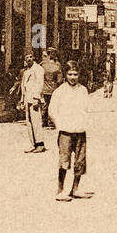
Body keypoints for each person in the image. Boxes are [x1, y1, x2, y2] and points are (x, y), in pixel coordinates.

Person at [49, 61, 92, 201]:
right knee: (64, 161)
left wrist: (84, 122)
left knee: (80, 161)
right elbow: (52, 111)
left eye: (75, 74)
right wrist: (59, 124)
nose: (73, 77)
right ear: (65, 75)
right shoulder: (60, 91)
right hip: (65, 132)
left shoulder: (83, 90)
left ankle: (76, 188)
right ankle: (60, 190)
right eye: (70, 74)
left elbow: (86, 109)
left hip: (80, 130)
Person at [21, 54, 46, 153]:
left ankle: (40, 144)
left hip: (34, 99)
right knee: (29, 122)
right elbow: (24, 86)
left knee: (36, 121)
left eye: (30, 57)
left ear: (34, 58)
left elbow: (39, 84)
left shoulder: (38, 69)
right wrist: (22, 100)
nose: (29, 59)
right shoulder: (26, 71)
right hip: (27, 98)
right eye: (27, 58)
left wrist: (36, 98)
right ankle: (33, 144)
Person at [40, 49, 63, 128]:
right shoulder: (57, 65)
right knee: (53, 104)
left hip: (44, 88)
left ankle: (44, 121)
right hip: (54, 88)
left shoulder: (43, 64)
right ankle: (52, 121)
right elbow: (59, 80)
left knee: (45, 104)